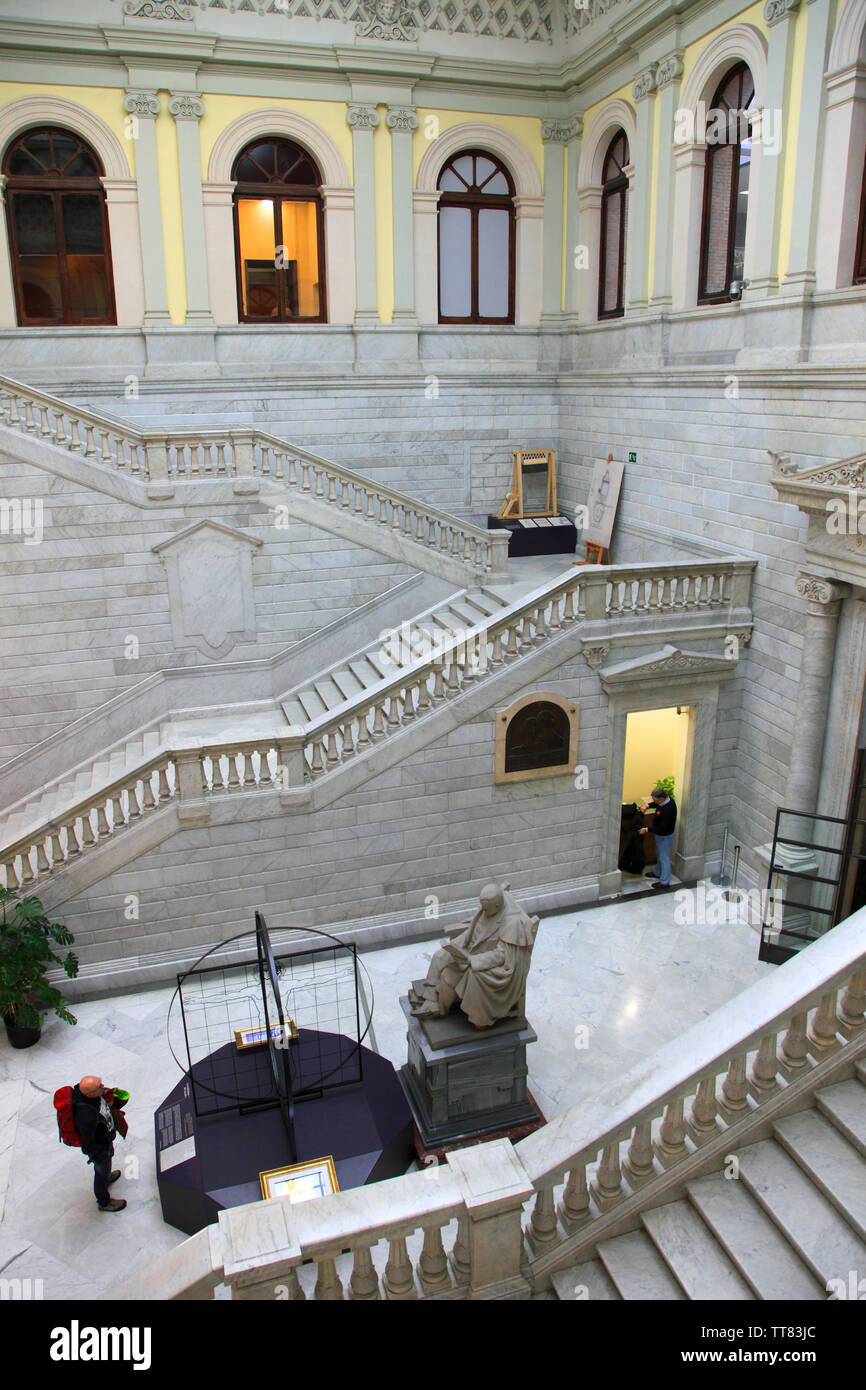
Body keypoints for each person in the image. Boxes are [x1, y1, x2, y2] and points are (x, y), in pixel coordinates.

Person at [408, 882, 537, 1029]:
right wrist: (456, 947)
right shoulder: (490, 904)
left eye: (486, 909)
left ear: (496, 906)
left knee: (449, 974)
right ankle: (431, 1001)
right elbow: (477, 927)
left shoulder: (513, 923)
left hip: (491, 963)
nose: (483, 911)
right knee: (440, 956)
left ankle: (441, 1010)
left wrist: (471, 959)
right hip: (472, 947)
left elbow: (502, 956)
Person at [71, 1075, 127, 1212]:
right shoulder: (85, 1116)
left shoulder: (92, 1096)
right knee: (101, 1172)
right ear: (90, 1094)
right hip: (100, 1148)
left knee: (106, 1167)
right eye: (99, 1087)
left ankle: (107, 1175)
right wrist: (101, 1150)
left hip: (106, 1140)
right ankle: (104, 1202)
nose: (103, 1087)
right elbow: (88, 1140)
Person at [639, 787, 677, 890]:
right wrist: (647, 806)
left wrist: (646, 830)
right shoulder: (665, 801)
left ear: (661, 798)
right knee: (659, 854)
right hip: (661, 836)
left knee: (664, 858)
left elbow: (662, 829)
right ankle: (657, 873)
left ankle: (664, 881)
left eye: (655, 800)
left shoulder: (668, 809)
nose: (654, 802)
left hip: (664, 837)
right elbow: (656, 804)